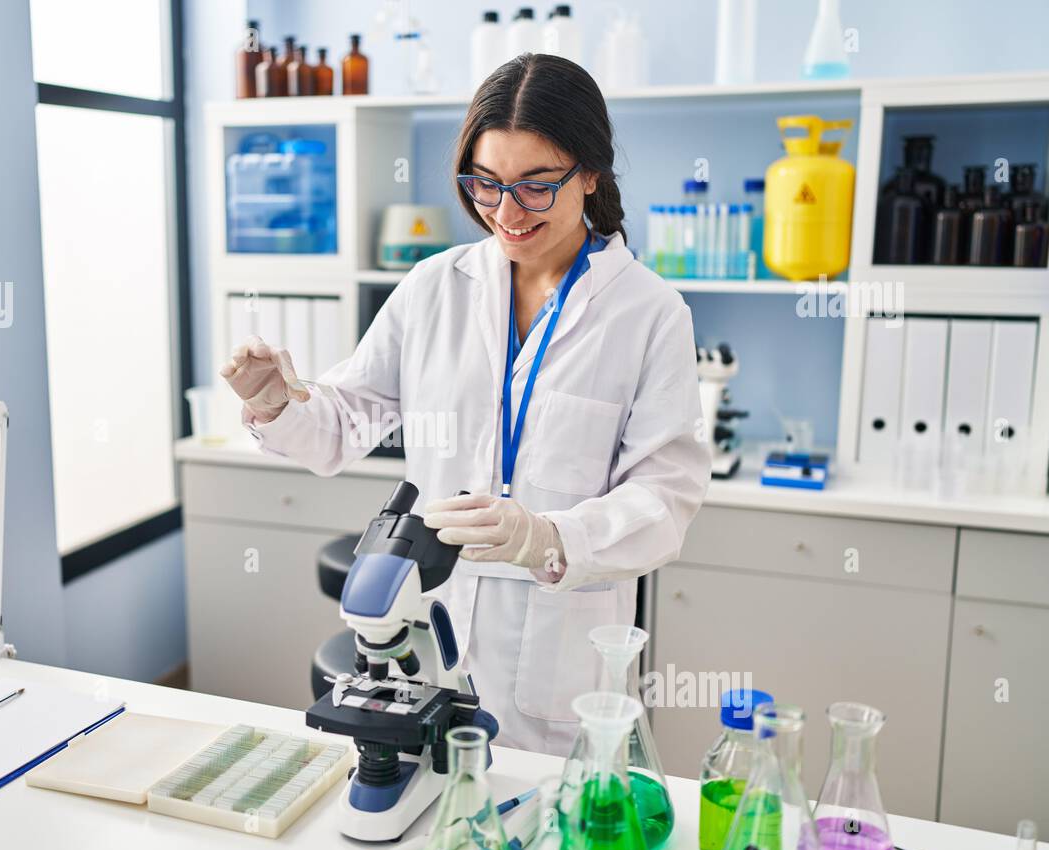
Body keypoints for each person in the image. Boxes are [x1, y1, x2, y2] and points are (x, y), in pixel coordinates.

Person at [221, 54, 710, 756]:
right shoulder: (432, 287)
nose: (506, 213)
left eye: (537, 187)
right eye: (486, 183)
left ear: (592, 174)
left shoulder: (651, 314)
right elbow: (341, 426)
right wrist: (277, 405)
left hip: (562, 680)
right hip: (429, 648)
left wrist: (546, 537)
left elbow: (665, 504)